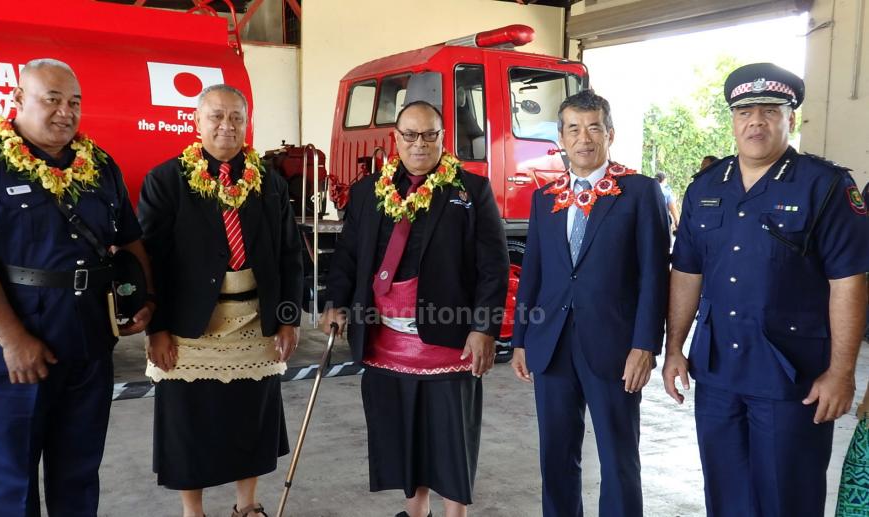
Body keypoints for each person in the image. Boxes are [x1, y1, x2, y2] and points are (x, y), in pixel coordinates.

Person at [662, 63, 869, 516]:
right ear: (733, 121)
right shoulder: (705, 188)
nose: (755, 120)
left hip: (790, 373)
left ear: (790, 118)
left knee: (786, 497)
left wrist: (841, 372)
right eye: (744, 111)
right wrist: (674, 348)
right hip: (717, 373)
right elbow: (686, 273)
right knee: (725, 493)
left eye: (769, 110)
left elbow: (848, 281)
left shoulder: (826, 185)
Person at [0, 58, 152, 516]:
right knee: (12, 486)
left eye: (75, 102)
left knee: (78, 476)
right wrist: (13, 340)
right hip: (12, 354)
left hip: (85, 343)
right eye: (53, 99)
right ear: (18, 100)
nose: (66, 111)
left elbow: (130, 241)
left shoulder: (99, 166)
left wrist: (144, 298)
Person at [320, 100, 509, 517]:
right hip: (385, 340)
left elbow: (493, 269)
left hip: (449, 340)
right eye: (410, 135)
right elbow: (348, 257)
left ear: (444, 138)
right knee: (405, 433)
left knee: (450, 438)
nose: (419, 144)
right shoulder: (368, 191)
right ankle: (416, 511)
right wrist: (335, 302)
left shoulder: (470, 191)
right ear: (396, 139)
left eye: (430, 135)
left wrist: (484, 328)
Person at [137, 84, 302, 517]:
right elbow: (149, 260)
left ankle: (247, 506)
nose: (226, 126)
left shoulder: (268, 182)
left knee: (252, 416)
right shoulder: (166, 180)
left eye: (236, 118)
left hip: (253, 320)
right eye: (216, 116)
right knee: (188, 423)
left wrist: (288, 318)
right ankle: (194, 511)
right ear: (196, 121)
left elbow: (289, 253)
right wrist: (157, 329)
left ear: (247, 124)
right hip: (188, 326)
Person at [510, 89, 670, 516]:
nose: (584, 138)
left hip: (615, 347)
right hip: (552, 344)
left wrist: (645, 346)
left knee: (618, 458)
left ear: (610, 134)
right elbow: (534, 275)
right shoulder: (545, 198)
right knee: (556, 457)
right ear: (561, 138)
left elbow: (655, 275)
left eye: (594, 127)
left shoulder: (638, 191)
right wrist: (521, 338)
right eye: (574, 129)